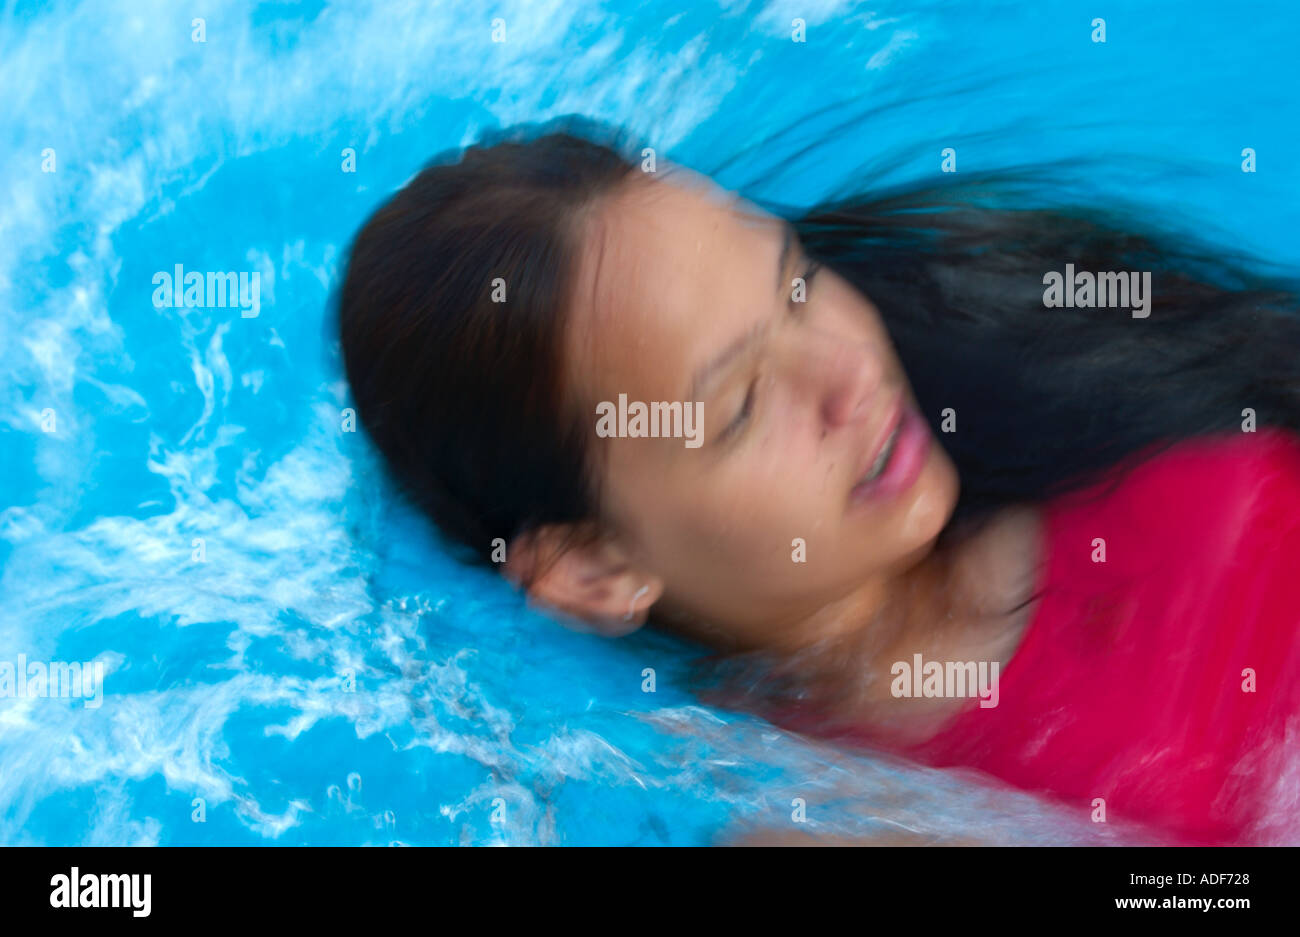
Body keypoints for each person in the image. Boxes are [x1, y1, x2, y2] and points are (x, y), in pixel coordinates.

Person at [337, 118, 1300, 844]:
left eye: (796, 283)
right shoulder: (845, 821)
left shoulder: (1068, 356)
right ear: (596, 568)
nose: (847, 377)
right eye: (743, 406)